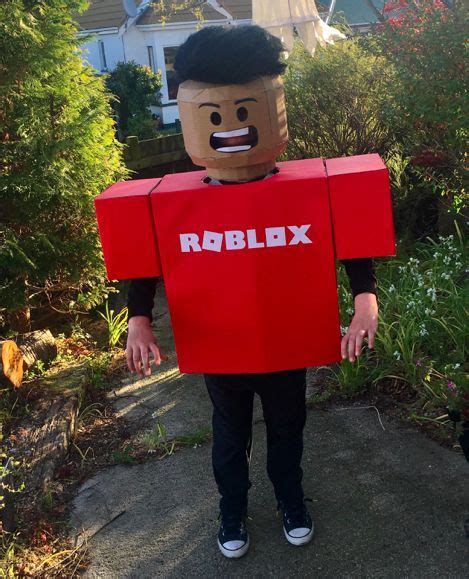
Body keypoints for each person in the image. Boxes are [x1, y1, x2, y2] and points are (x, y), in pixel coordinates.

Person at [125, 26, 378, 559]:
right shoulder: (174, 203)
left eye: (244, 110)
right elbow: (142, 253)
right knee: (228, 433)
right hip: (220, 341)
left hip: (287, 338)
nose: (232, 127)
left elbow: (351, 229)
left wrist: (365, 299)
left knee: (288, 428)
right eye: (215, 115)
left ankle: (290, 499)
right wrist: (138, 318)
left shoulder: (309, 190)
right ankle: (232, 508)